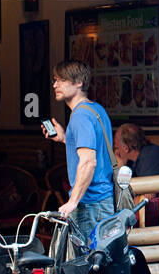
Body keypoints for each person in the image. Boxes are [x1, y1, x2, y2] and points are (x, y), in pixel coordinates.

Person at [43, 59, 115, 238]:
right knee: (100, 260)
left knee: (84, 263)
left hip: (90, 204)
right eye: (55, 80)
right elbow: (92, 150)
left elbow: (89, 162)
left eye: (61, 80)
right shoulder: (96, 109)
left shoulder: (80, 116)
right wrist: (65, 138)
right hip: (102, 200)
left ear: (78, 82)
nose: (55, 85)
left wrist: (73, 201)